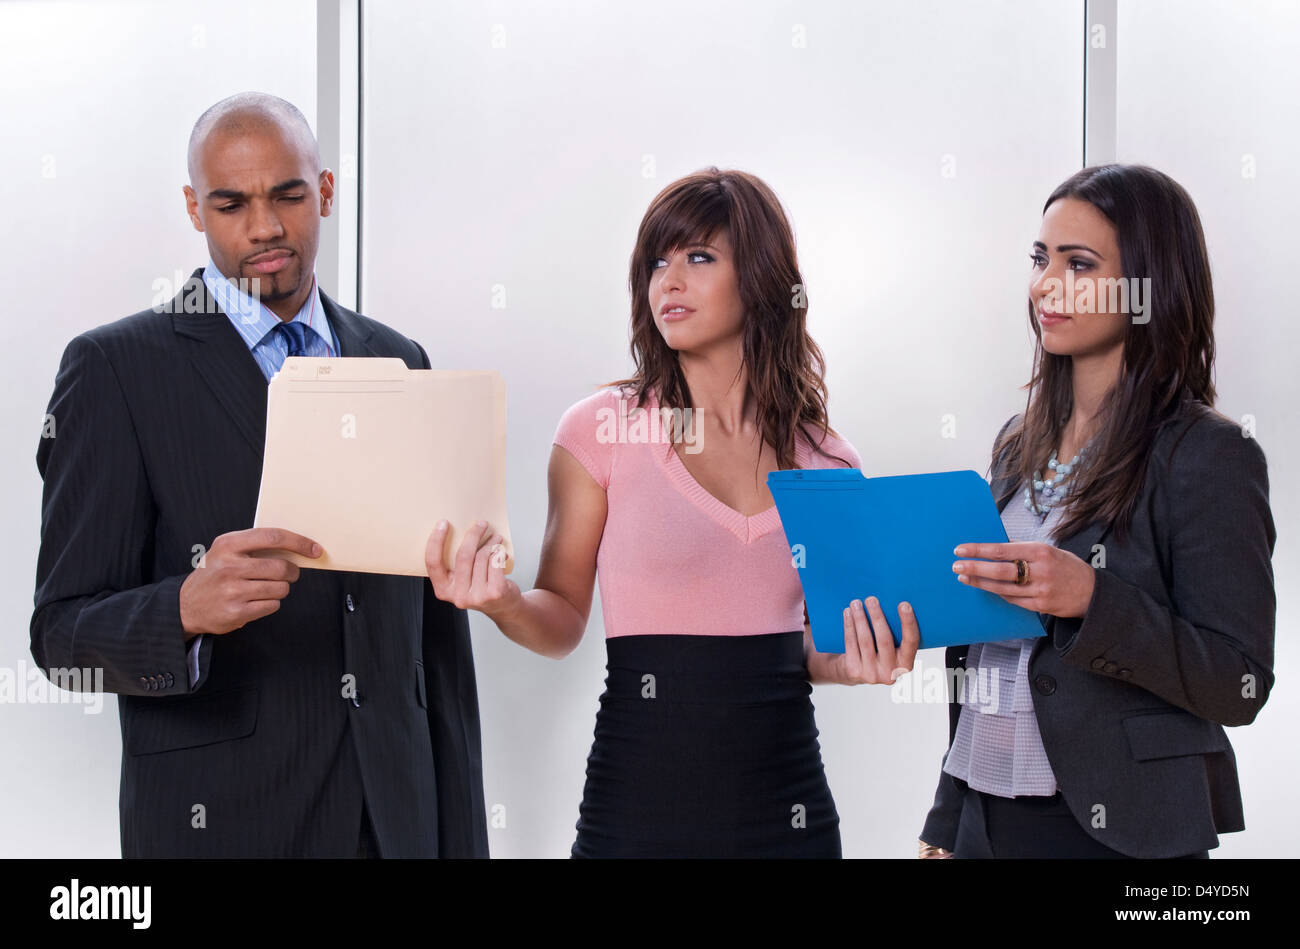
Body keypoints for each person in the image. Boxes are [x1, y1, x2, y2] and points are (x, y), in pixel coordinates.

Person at [30, 92, 488, 858]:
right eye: (232, 203)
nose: (265, 227)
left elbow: (438, 647)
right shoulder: (114, 369)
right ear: (193, 208)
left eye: (288, 195)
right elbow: (59, 637)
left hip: (397, 821)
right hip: (224, 825)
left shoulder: (398, 359)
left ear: (327, 191)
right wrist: (183, 608)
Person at [427, 167, 919, 858]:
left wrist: (862, 659)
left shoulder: (829, 461)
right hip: (635, 814)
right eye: (657, 262)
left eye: (698, 257)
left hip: (790, 818)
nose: (670, 281)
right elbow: (562, 617)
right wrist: (503, 601)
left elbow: (814, 645)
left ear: (762, 276)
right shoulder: (599, 430)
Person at [918, 164, 1276, 859]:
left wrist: (1092, 598)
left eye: (1079, 265)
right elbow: (994, 655)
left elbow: (1240, 682)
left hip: (1120, 835)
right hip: (986, 822)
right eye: (1040, 258)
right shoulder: (1018, 444)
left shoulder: (1209, 455)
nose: (1047, 284)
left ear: (1148, 285)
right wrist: (947, 819)